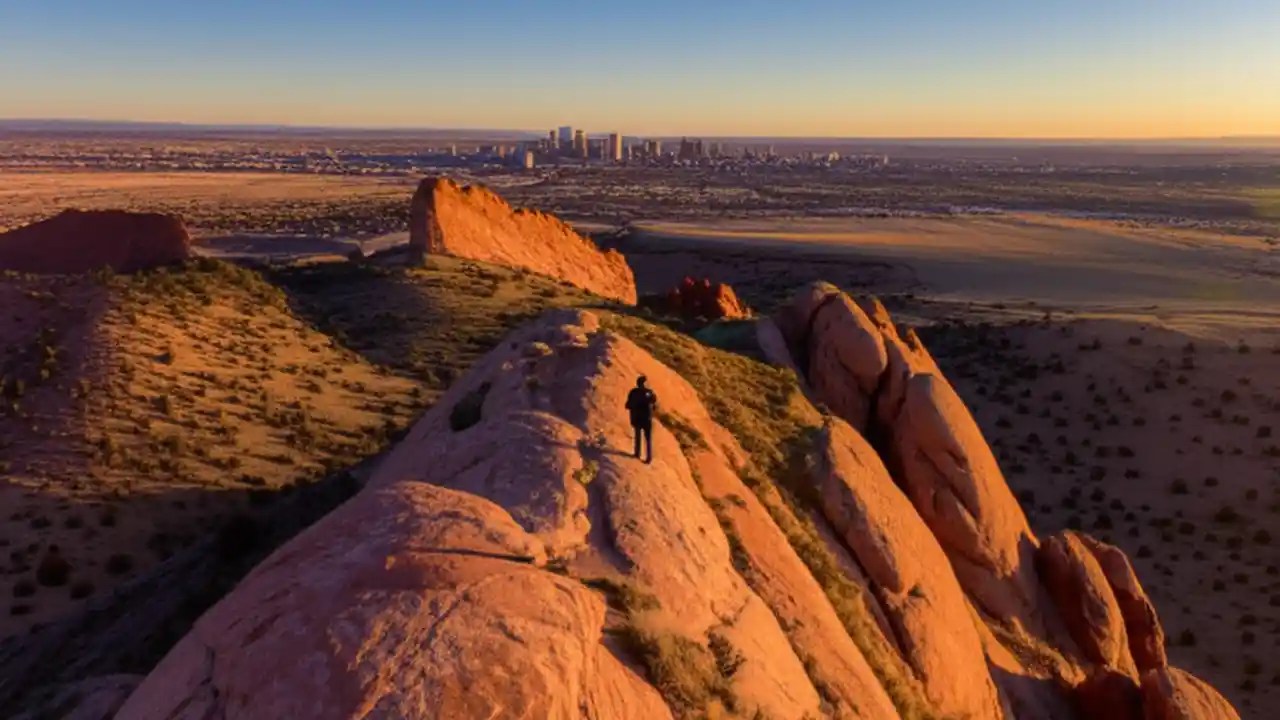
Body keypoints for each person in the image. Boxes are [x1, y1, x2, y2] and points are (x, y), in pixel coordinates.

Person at [625, 376, 657, 463]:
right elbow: (654, 403)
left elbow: (628, 405)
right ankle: (648, 458)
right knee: (648, 439)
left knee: (638, 436)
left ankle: (637, 453)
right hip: (647, 418)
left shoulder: (633, 392)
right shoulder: (649, 393)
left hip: (637, 417)